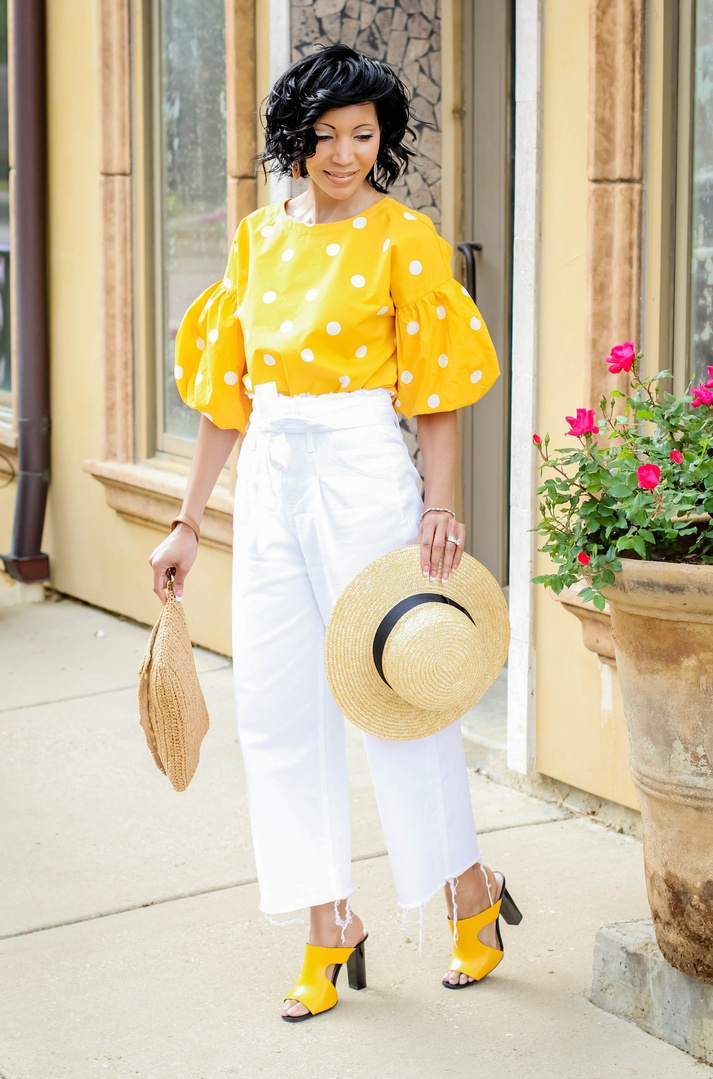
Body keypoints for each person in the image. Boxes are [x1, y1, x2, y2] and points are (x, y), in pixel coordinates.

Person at [149, 43, 519, 1023]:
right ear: (296, 136)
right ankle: (326, 922)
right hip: (270, 471)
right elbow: (226, 393)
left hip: (363, 466)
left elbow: (433, 390)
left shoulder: (403, 237)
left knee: (398, 690)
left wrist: (439, 502)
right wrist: (188, 518)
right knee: (275, 709)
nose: (346, 151)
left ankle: (467, 893)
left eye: (365, 134)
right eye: (328, 133)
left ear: (382, 140)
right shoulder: (257, 239)